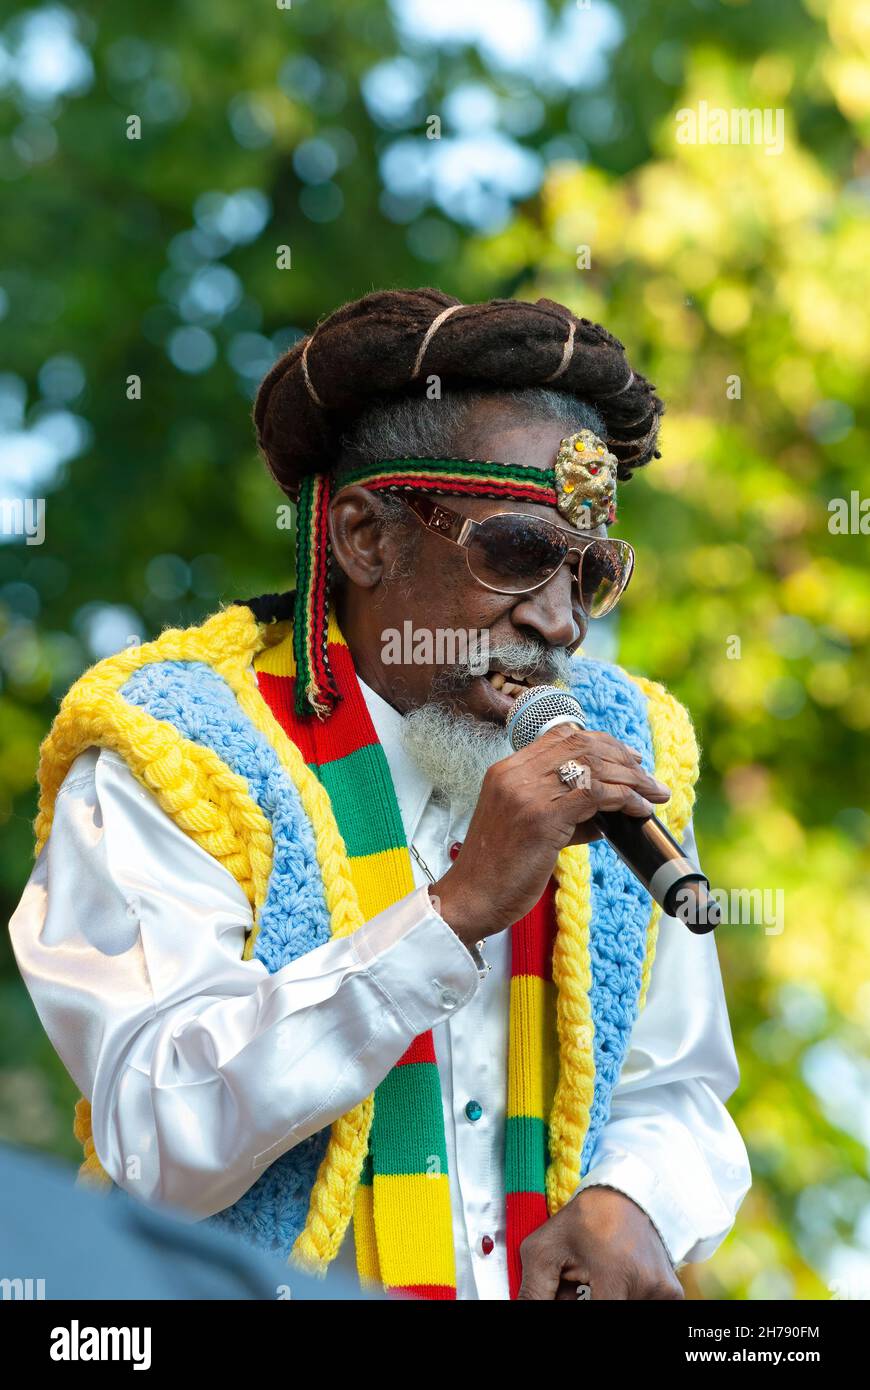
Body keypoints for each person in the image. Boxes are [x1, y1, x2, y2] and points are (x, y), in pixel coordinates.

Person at [9, 289, 750, 1301]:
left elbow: (679, 1086)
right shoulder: (174, 745)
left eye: (590, 574)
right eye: (521, 555)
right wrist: (453, 914)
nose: (561, 622)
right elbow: (156, 1137)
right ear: (366, 537)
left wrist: (635, 1195)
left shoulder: (626, 739)